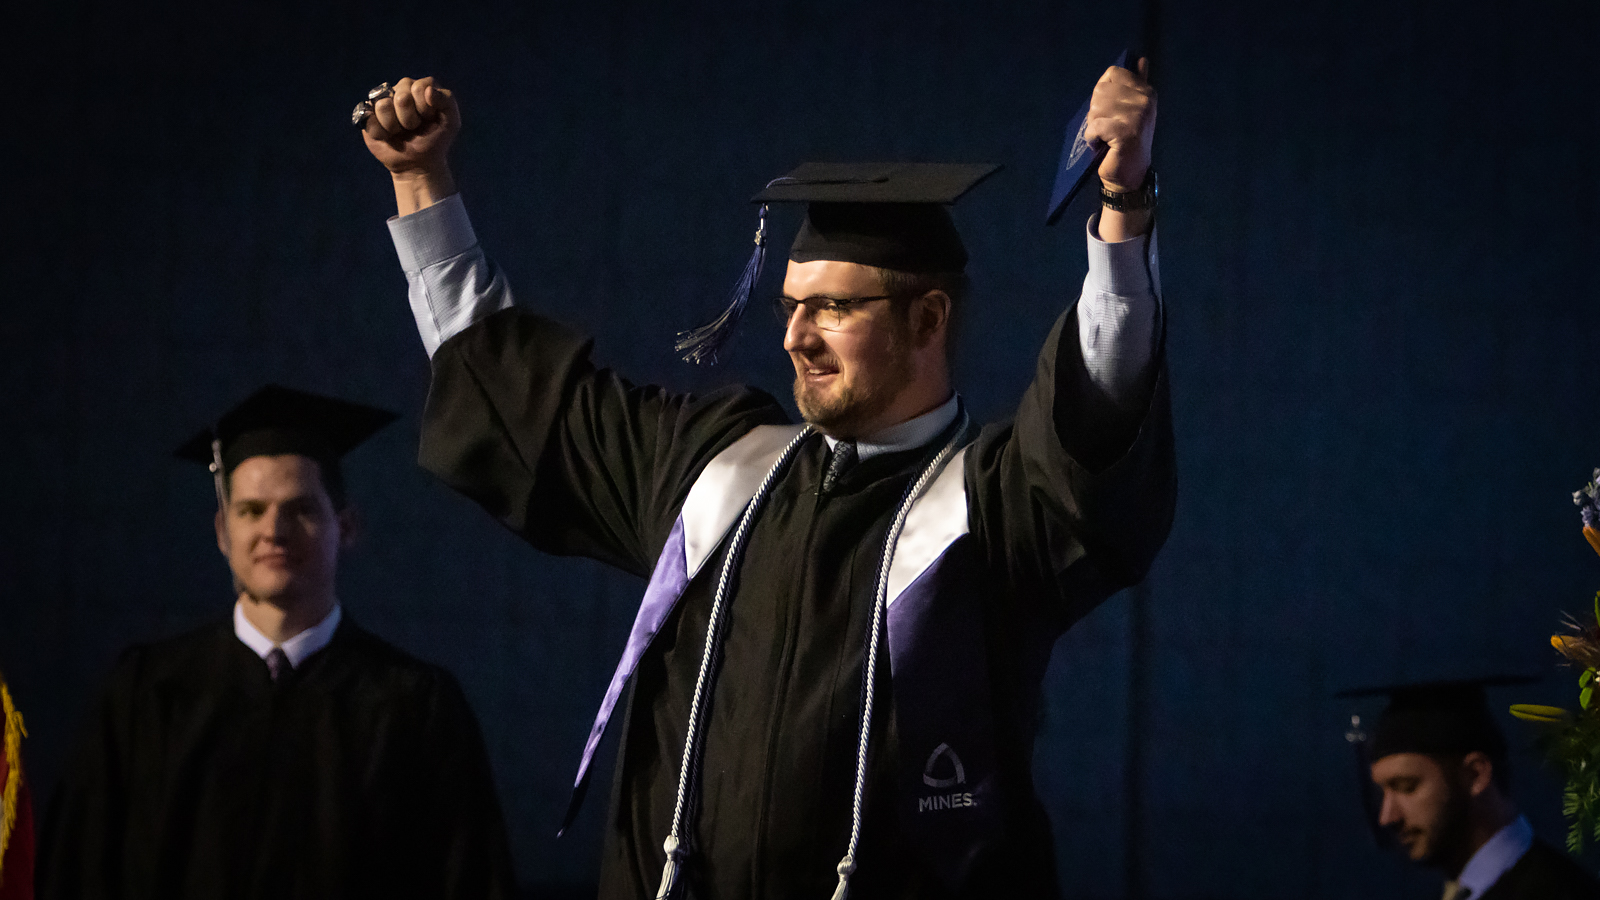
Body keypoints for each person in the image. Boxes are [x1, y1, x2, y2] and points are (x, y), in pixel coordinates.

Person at [362, 62, 1173, 899]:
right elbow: (521, 394)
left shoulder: (995, 508)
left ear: (928, 319)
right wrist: (422, 182)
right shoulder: (714, 468)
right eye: (791, 305)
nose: (795, 338)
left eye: (833, 308)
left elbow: (1099, 419)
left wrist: (1123, 212)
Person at [38, 385, 517, 900]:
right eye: (251, 510)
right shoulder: (147, 695)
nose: (274, 530)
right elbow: (79, 871)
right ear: (223, 532)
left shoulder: (414, 707)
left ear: (347, 527)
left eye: (301, 509)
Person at [1348, 679, 1600, 899]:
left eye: (1407, 787)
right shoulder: (1461, 890)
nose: (1387, 816)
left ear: (1475, 774)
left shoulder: (1559, 892)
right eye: (1383, 792)